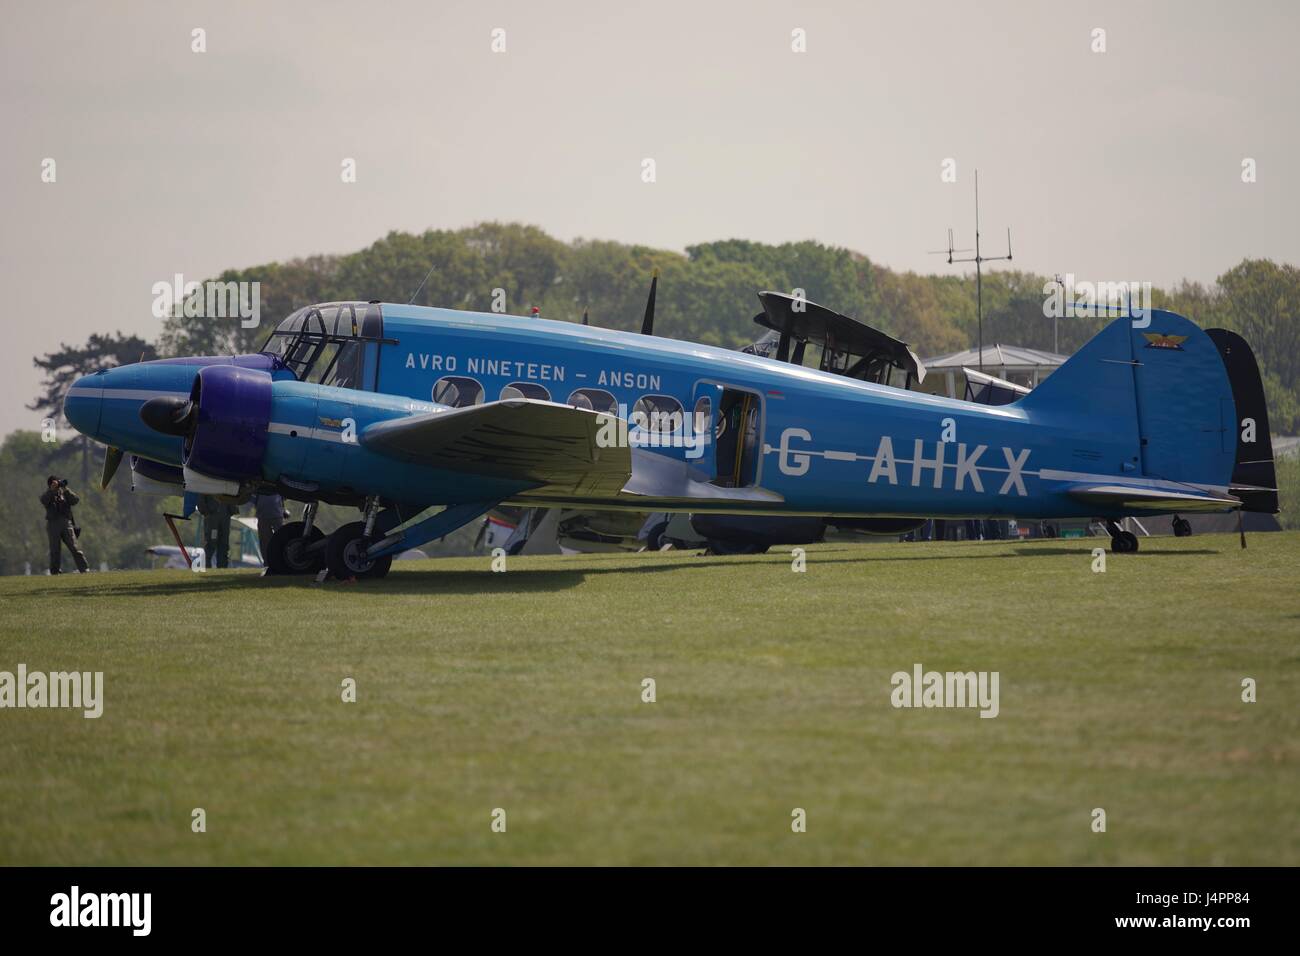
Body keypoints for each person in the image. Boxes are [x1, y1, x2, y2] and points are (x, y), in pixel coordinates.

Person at [40, 476, 88, 574]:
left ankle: (84, 569)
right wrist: (52, 490)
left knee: (74, 548)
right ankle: (55, 571)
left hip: (66, 523)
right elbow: (43, 500)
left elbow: (75, 500)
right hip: (53, 523)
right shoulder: (48, 494)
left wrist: (65, 489)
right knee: (55, 550)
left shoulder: (64, 492)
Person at [253, 492, 288, 564]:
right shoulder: (278, 483)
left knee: (265, 541)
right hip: (275, 513)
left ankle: (268, 561)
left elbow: (252, 498)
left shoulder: (259, 485)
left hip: (264, 514)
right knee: (280, 538)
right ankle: (281, 559)